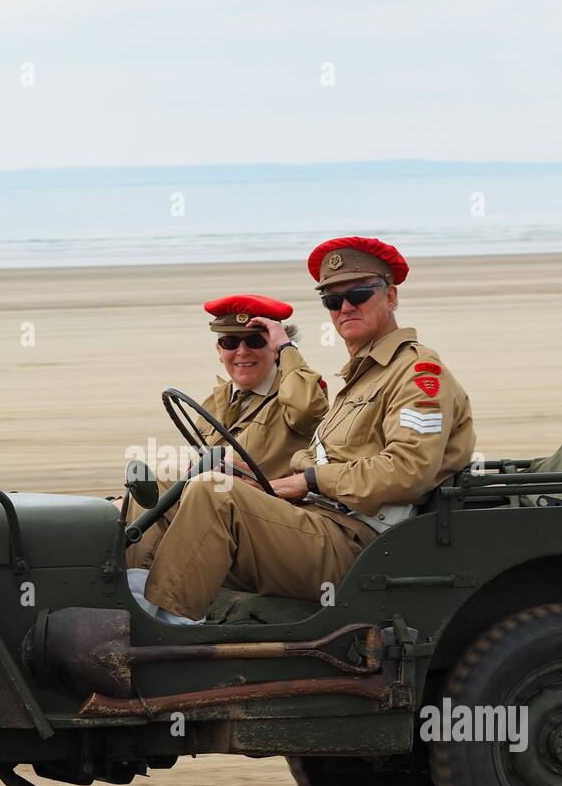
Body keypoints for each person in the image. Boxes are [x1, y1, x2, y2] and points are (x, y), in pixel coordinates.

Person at [141, 236, 475, 621]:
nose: (345, 307)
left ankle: (164, 633)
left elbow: (408, 471)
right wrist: (277, 482)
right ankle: (124, 607)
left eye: (360, 294)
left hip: (362, 541)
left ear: (391, 296)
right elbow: (323, 454)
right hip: (323, 520)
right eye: (332, 301)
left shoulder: (417, 374)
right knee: (166, 493)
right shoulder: (362, 379)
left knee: (213, 494)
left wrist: (310, 480)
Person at [125, 293, 327, 570]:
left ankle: (141, 588)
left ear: (275, 347)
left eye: (256, 341)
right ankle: (134, 582)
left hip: (266, 517)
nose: (242, 352)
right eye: (230, 342)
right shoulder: (220, 398)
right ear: (219, 352)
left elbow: (309, 410)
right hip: (211, 507)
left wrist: (287, 348)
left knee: (166, 480)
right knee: (145, 490)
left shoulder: (294, 395)